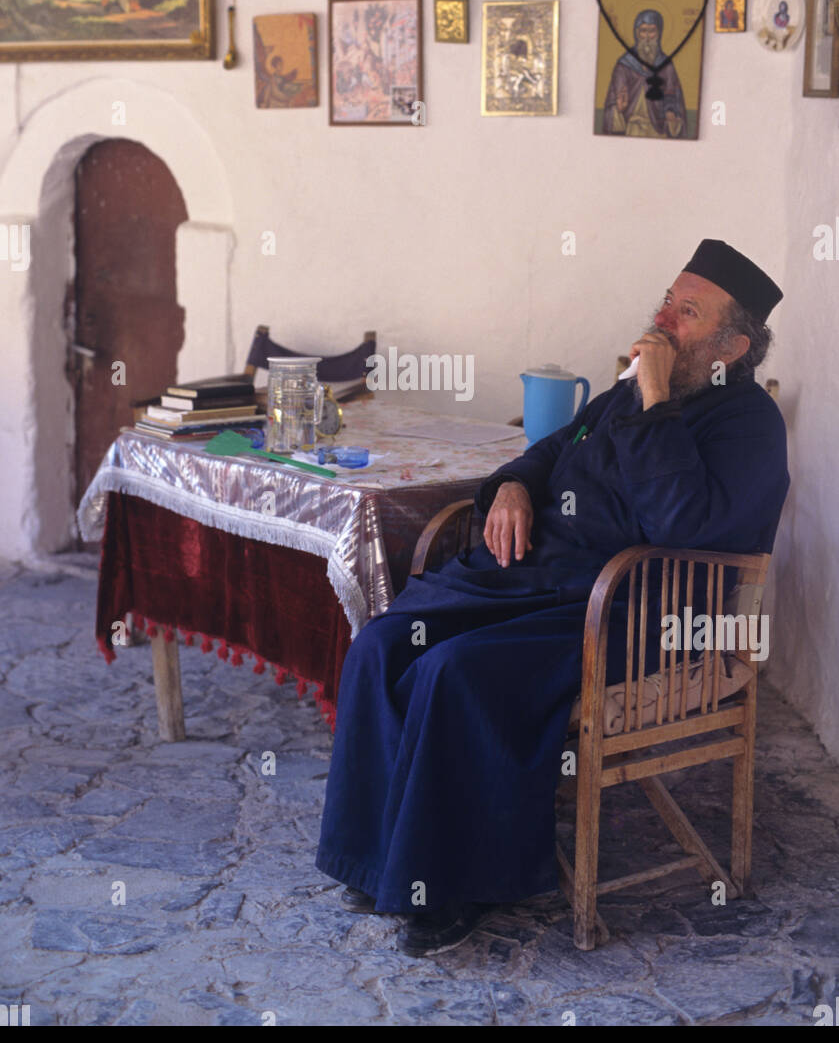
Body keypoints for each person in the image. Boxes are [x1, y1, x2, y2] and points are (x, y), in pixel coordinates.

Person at [315, 241, 789, 957]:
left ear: (733, 344)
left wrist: (654, 398)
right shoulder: (624, 393)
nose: (660, 319)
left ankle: (456, 884)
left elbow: (681, 525)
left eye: (684, 313)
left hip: (638, 611)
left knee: (457, 672)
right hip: (542, 583)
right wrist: (511, 486)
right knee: (382, 643)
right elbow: (547, 451)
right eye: (665, 299)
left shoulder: (744, 422)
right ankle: (380, 857)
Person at [603, 9, 687, 138]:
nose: (647, 36)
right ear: (637, 33)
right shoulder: (624, 65)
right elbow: (612, 105)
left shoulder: (666, 66)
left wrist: (671, 112)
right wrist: (618, 109)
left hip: (659, 133)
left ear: (659, 33)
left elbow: (673, 96)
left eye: (652, 31)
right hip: (630, 131)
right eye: (643, 31)